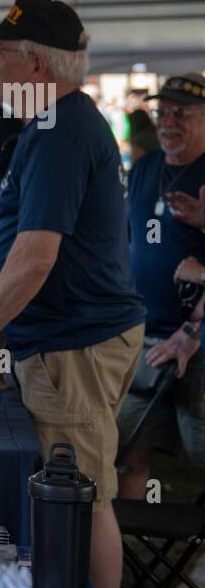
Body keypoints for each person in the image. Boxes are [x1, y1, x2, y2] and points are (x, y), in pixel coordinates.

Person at [0, 0, 145, 588]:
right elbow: (31, 258)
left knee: (80, 495)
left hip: (76, 341)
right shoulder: (54, 125)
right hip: (63, 337)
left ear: (37, 67)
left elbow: (35, 257)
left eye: (0, 53)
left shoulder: (63, 130)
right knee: (74, 489)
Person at [117, 73, 205, 498]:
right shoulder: (146, 167)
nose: (169, 122)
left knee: (200, 450)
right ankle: (132, 540)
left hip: (197, 338)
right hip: (144, 331)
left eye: (182, 113)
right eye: (163, 112)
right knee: (131, 445)